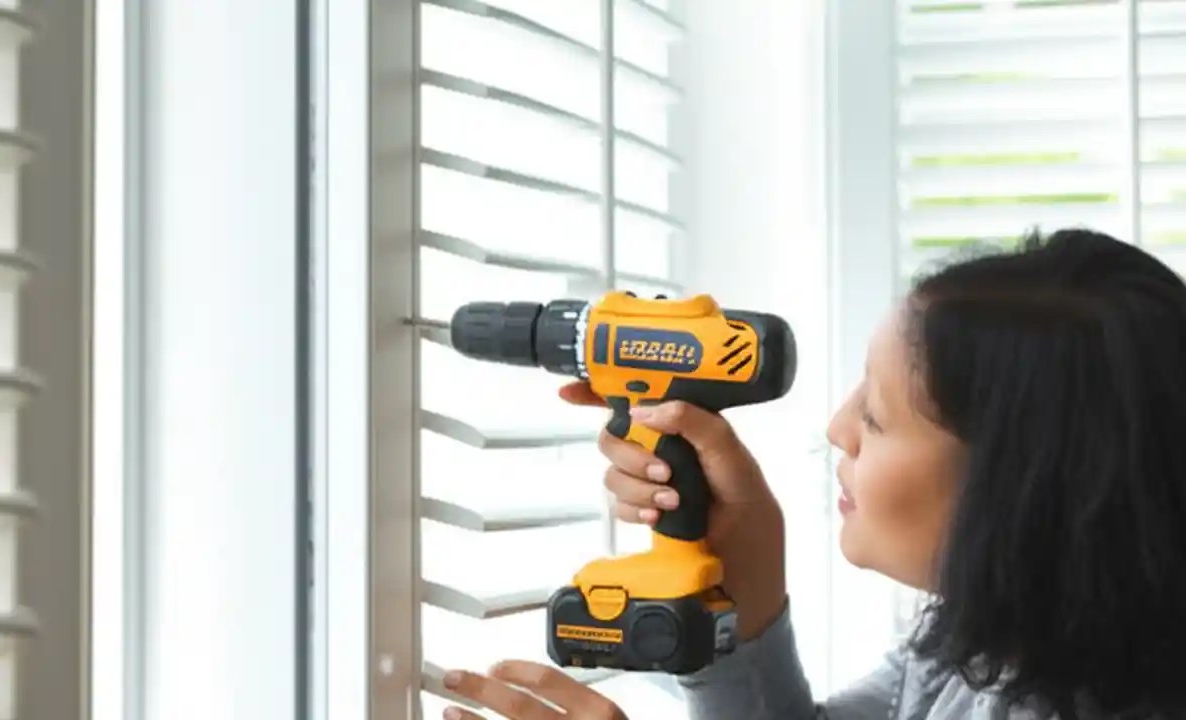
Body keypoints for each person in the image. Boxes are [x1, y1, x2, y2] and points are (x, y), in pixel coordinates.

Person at [440, 228, 1186, 720]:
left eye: (877, 417)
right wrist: (749, 589)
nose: (837, 428)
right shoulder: (978, 651)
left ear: (1019, 484)